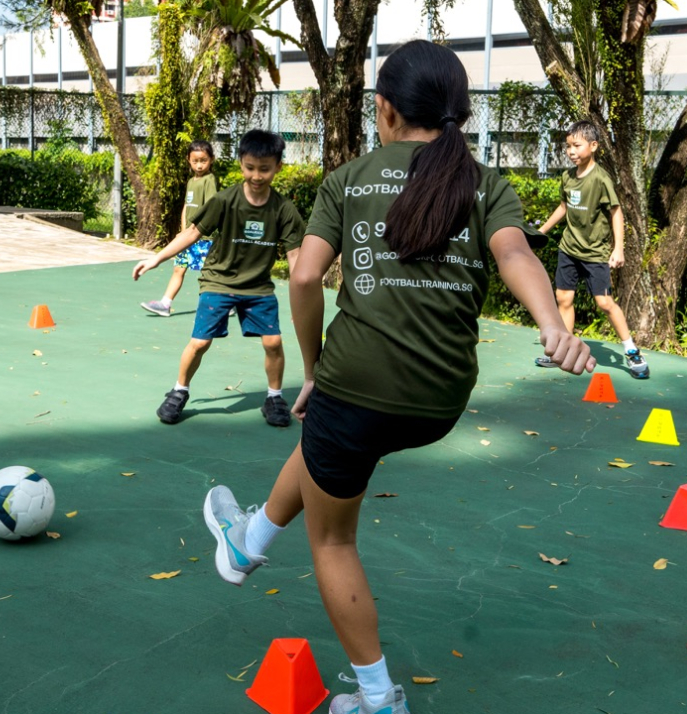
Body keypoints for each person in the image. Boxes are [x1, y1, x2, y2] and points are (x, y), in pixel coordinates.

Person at [200, 40, 595, 714]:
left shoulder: (350, 178)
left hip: (357, 384)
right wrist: (552, 325)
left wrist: (315, 369)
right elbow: (515, 254)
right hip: (440, 399)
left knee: (333, 535)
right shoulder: (485, 182)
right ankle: (248, 540)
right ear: (458, 113)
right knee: (326, 444)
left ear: (384, 109)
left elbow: (304, 276)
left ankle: (378, 698)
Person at [132, 130, 304, 428]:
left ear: (278, 166)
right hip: (218, 282)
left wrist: (301, 301)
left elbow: (296, 257)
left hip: (257, 287)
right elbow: (192, 232)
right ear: (241, 164)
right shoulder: (225, 201)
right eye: (250, 167)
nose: (257, 176)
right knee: (200, 343)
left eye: (265, 169)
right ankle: (179, 390)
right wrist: (156, 258)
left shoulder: (284, 209)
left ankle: (274, 397)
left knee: (273, 342)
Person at [533, 120, 650, 379]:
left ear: (593, 146)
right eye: (568, 146)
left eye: (577, 145)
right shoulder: (567, 177)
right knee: (563, 299)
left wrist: (618, 249)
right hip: (568, 249)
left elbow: (616, 213)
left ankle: (632, 352)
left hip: (595, 254)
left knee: (604, 303)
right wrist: (541, 232)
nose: (571, 151)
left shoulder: (601, 179)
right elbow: (563, 207)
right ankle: (563, 353)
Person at [140, 140, 218, 317]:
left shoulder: (209, 180)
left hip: (203, 238)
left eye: (203, 160)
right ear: (188, 160)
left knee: (208, 274)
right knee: (178, 269)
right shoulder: (191, 181)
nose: (199, 165)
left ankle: (221, 304)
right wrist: (184, 232)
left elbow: (211, 207)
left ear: (211, 159)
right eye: (195, 161)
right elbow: (186, 207)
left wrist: (195, 231)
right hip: (187, 239)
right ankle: (165, 304)